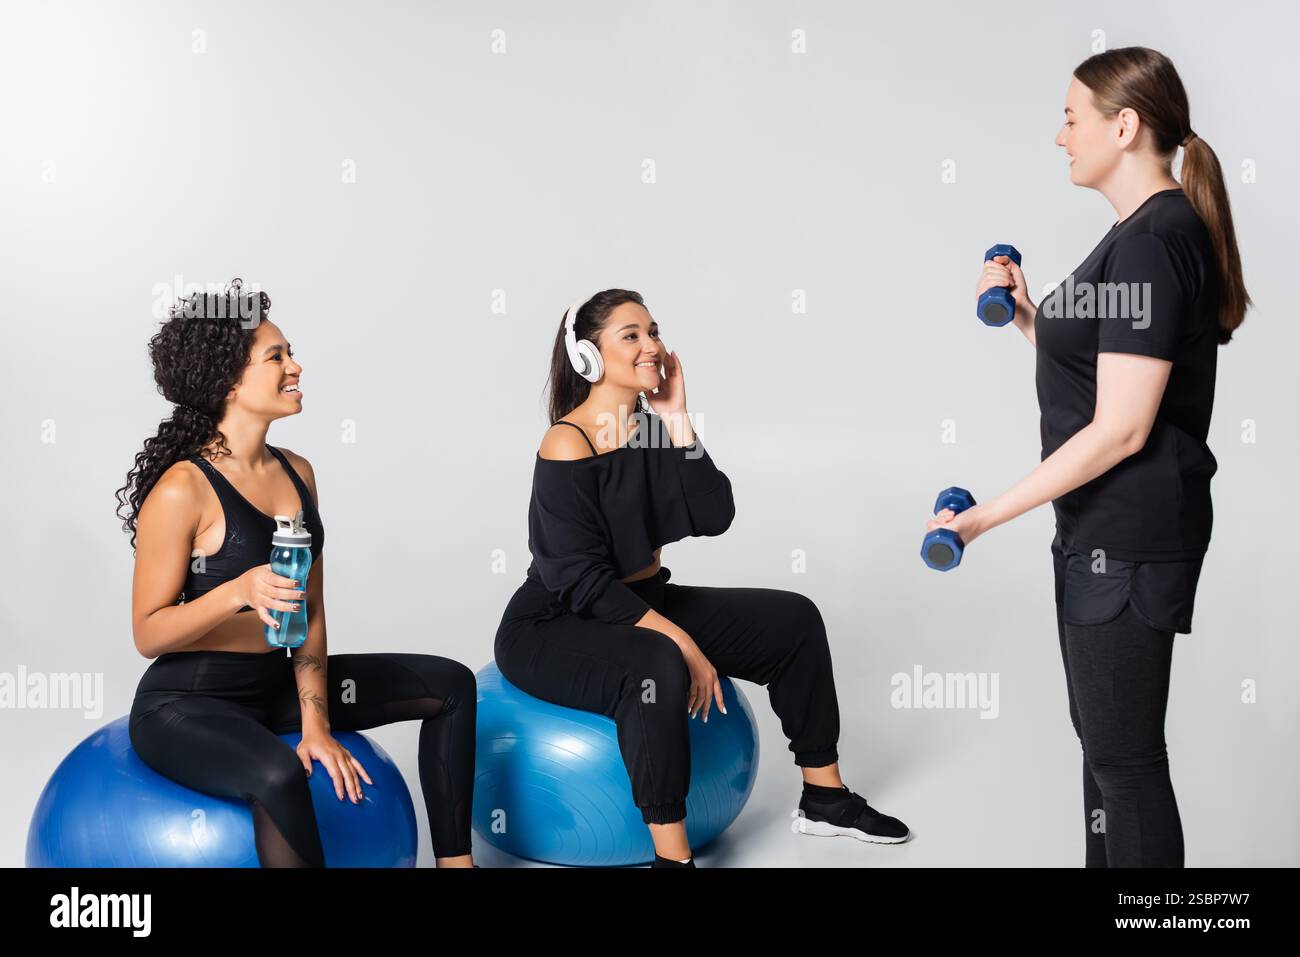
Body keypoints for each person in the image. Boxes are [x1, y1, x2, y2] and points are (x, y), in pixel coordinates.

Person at [933, 48, 1250, 866]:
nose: (1060, 135)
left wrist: (981, 520)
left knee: (1125, 764)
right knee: (1106, 760)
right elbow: (1106, 369)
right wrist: (1027, 317)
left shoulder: (1154, 240)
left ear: (1124, 124)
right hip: (1097, 536)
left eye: (1072, 117)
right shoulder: (1140, 234)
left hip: (1131, 541)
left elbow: (1122, 428)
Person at [494, 288, 910, 868]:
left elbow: (716, 515)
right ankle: (674, 858)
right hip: (556, 620)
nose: (651, 346)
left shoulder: (653, 429)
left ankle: (825, 797)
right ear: (588, 356)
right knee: (656, 665)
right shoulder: (567, 441)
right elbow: (582, 581)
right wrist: (681, 640)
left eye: (653, 331)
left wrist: (678, 419)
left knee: (793, 618)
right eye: (631, 335)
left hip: (638, 601)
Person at [115, 280, 479, 868]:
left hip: (278, 687)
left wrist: (316, 721)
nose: (296, 365)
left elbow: (311, 609)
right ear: (229, 381)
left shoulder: (299, 473)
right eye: (277, 357)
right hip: (189, 701)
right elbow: (147, 633)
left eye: (291, 352)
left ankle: (456, 865)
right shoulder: (184, 487)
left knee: (452, 685)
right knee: (280, 774)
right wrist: (237, 591)